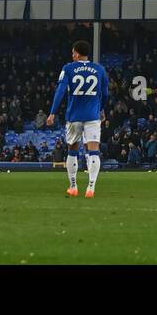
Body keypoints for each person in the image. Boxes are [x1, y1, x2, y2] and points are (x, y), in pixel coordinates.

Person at [46, 40, 110, 198]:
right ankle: (91, 188)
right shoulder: (100, 69)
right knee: (93, 150)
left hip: (74, 116)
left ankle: (73, 186)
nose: (72, 55)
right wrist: (101, 109)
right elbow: (105, 94)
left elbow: (60, 90)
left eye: (73, 52)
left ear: (77, 53)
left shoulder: (68, 68)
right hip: (93, 116)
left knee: (72, 150)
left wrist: (53, 112)